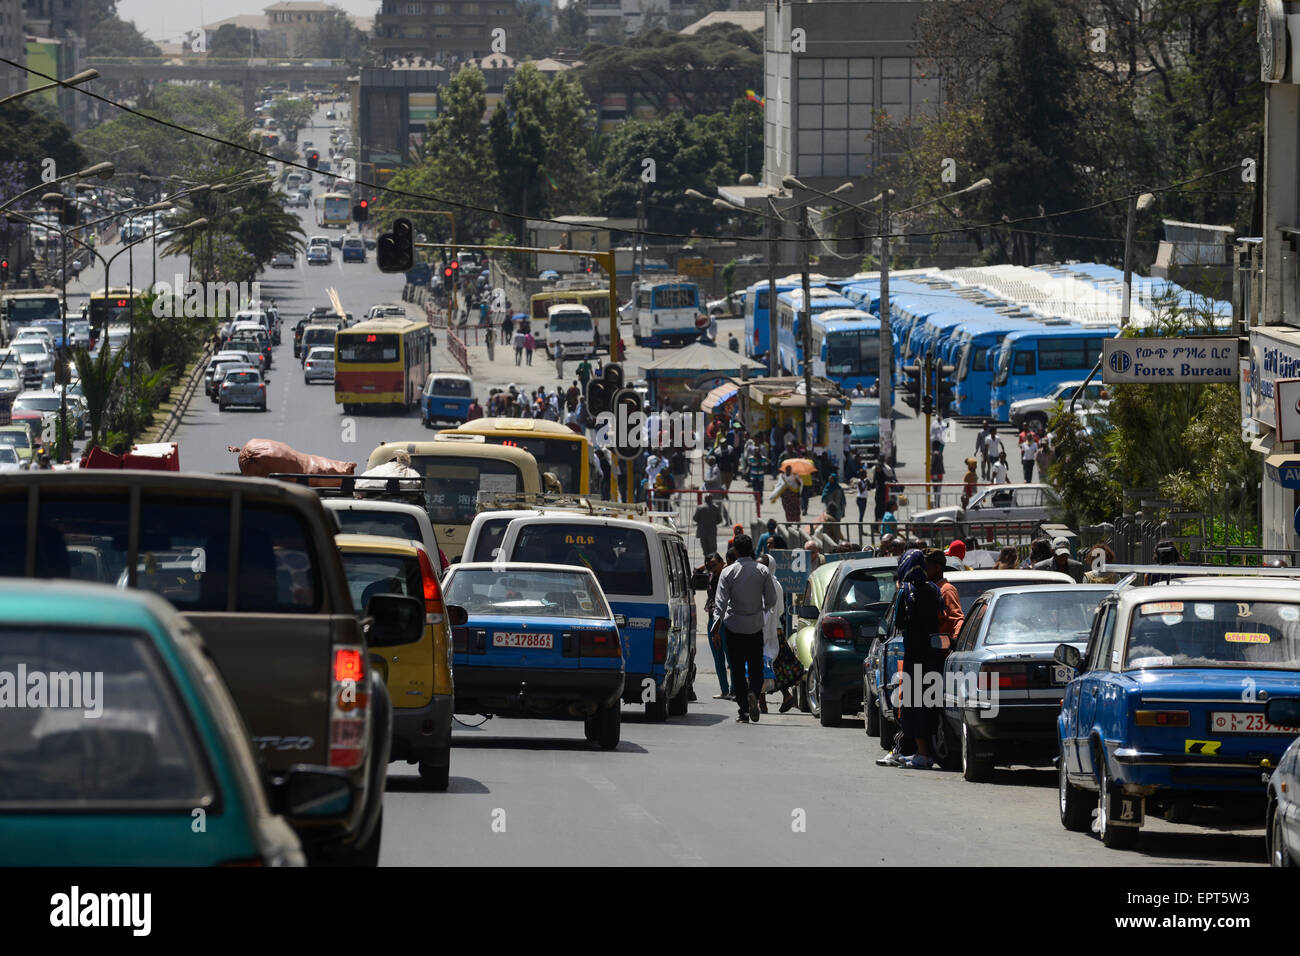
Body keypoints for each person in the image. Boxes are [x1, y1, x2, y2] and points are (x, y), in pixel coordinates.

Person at [878, 548, 942, 768]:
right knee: (928, 704)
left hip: (915, 654)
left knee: (913, 705)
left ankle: (922, 754)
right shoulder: (934, 589)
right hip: (933, 654)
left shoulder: (906, 591)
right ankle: (921, 753)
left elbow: (898, 622)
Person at [710, 534, 779, 723]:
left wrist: (715, 629)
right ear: (751, 550)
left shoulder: (727, 572)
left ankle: (744, 711)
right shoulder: (763, 571)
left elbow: (720, 604)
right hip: (755, 627)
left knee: (738, 670)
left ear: (736, 551)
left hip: (733, 627)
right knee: (756, 668)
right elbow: (772, 600)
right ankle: (754, 694)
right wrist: (760, 610)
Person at [698, 552, 731, 700]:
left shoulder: (727, 575)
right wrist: (703, 567)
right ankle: (724, 690)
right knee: (718, 657)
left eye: (714, 565)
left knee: (730, 656)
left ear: (722, 563)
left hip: (725, 618)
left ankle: (735, 689)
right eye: (709, 566)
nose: (712, 569)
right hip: (712, 617)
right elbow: (696, 575)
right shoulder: (711, 576)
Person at [928, 548, 964, 644]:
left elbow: (957, 619)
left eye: (926, 567)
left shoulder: (946, 590)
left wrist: (955, 642)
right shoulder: (932, 589)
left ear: (937, 568)